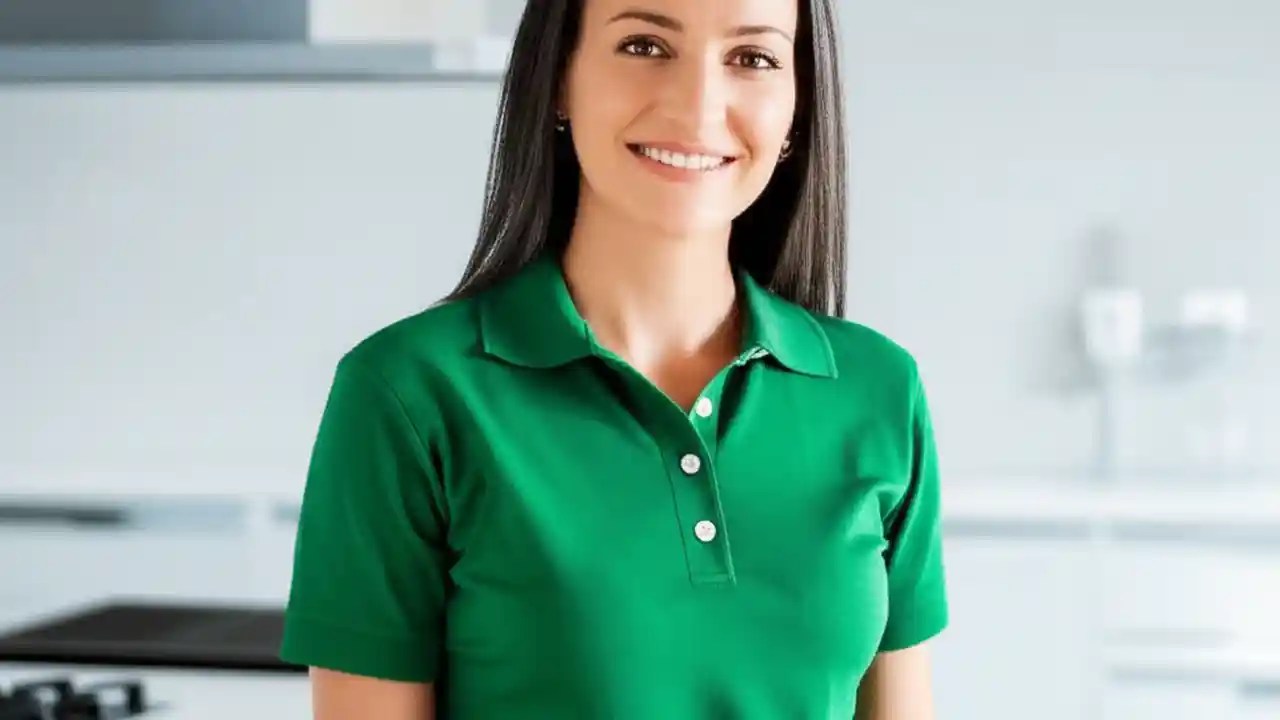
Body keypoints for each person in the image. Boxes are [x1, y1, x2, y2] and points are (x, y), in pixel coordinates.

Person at [279, 0, 949, 717]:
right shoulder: (408, 393)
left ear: (796, 107)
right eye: (644, 45)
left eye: (752, 58)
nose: (698, 106)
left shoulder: (878, 391)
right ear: (560, 79)